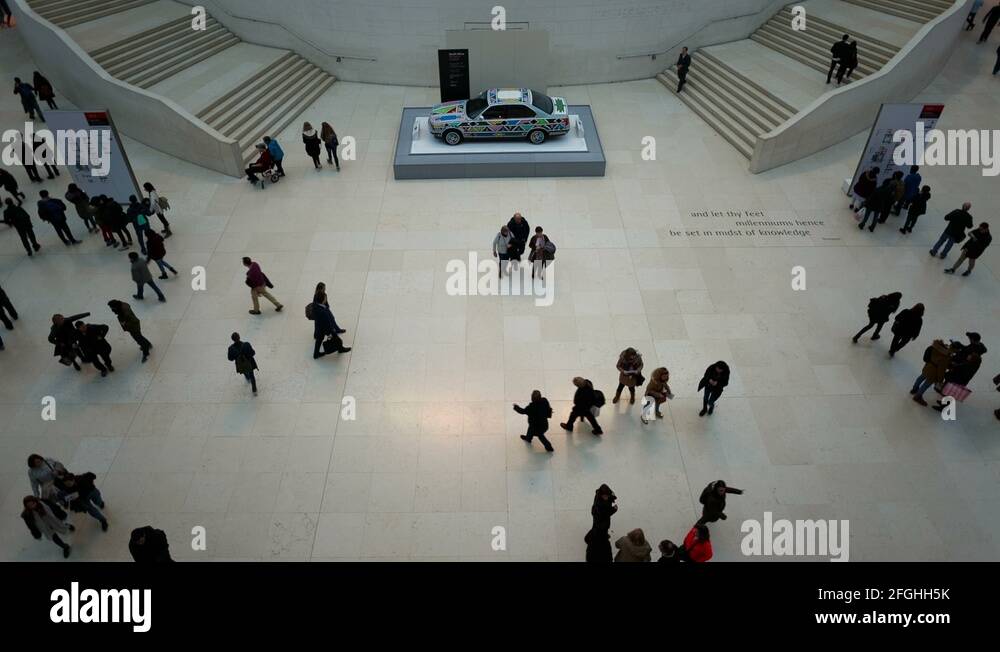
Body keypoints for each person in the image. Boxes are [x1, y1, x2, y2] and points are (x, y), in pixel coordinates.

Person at [911, 339, 953, 406]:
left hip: (928, 366)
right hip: (933, 372)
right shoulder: (945, 357)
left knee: (921, 377)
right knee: (926, 384)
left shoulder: (936, 348)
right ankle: (918, 397)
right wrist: (940, 380)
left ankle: (914, 389)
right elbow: (941, 370)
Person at [310, 291, 351, 358]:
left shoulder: (315, 305)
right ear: (323, 300)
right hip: (325, 328)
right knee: (337, 339)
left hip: (319, 327)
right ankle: (341, 349)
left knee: (319, 340)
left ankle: (316, 354)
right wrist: (331, 331)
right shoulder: (323, 311)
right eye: (325, 298)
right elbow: (327, 322)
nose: (326, 299)